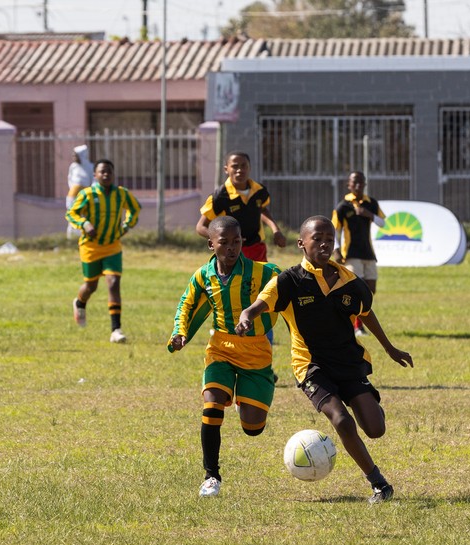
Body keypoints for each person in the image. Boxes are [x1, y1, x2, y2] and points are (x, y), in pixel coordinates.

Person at [236, 215, 413, 504]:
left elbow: (366, 313)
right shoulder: (289, 281)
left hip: (348, 362)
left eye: (329, 239)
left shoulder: (349, 281)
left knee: (375, 429)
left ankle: (368, 402)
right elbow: (255, 307)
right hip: (311, 366)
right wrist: (245, 318)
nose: (324, 244)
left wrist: (390, 348)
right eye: (317, 238)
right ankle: (379, 484)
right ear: (301, 243)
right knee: (341, 420)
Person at [169, 216, 281, 498]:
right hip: (220, 348)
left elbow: (287, 287)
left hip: (256, 352)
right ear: (211, 244)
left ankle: (245, 398)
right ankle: (211, 476)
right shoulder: (203, 276)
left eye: (236, 241)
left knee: (253, 428)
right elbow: (186, 304)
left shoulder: (262, 272)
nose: (232, 248)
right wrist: (179, 331)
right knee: (212, 406)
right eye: (224, 242)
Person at [66, 159, 142, 344]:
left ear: (113, 174)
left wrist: (126, 226)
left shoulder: (121, 194)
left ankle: (116, 330)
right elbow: (71, 213)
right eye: (102, 171)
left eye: (109, 171)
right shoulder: (88, 194)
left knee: (113, 282)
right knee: (91, 286)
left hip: (112, 246)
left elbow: (135, 209)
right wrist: (85, 223)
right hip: (90, 247)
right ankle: (80, 302)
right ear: (95, 175)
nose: (106, 174)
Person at [195, 151, 287, 263]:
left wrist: (276, 230)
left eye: (243, 166)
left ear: (249, 168)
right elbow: (201, 227)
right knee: (237, 275)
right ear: (226, 169)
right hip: (232, 252)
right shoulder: (219, 197)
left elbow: (262, 209)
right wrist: (223, 240)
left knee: (263, 274)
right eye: (235, 166)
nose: (239, 170)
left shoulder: (259, 191)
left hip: (257, 248)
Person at [331, 171, 386, 337]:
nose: (358, 185)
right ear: (348, 185)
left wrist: (369, 215)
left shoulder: (371, 203)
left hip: (368, 253)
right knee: (357, 289)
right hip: (351, 254)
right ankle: (357, 326)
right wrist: (336, 250)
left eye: (361, 182)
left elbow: (383, 223)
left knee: (371, 289)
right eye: (354, 182)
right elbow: (335, 230)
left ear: (365, 184)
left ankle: (354, 320)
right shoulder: (343, 206)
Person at [66, 145, 94, 239]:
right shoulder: (73, 167)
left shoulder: (90, 167)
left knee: (85, 216)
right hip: (73, 194)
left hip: (85, 194)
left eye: (76, 156)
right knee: (73, 214)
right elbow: (70, 179)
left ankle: (83, 235)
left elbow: (93, 181)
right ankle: (72, 236)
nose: (74, 158)